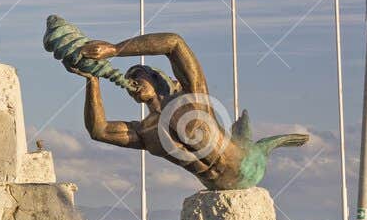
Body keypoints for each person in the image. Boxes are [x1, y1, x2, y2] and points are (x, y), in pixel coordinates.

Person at [66, 33, 307, 189]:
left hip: (246, 167)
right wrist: (92, 81)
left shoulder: (192, 97)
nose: (132, 82)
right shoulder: (145, 132)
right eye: (129, 79)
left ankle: (270, 141)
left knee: (260, 145)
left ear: (159, 80)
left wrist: (115, 49)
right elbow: (99, 130)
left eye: (139, 75)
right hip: (216, 185)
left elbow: (174, 43)